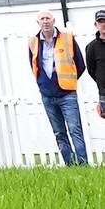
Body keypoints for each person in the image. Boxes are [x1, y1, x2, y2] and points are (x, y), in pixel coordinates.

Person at [29, 10, 89, 165]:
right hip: (47, 96)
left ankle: (83, 165)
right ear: (38, 22)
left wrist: (68, 81)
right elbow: (34, 65)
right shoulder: (33, 42)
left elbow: (80, 65)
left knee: (75, 130)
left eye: (48, 18)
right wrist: (42, 84)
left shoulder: (67, 38)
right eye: (42, 19)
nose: (45, 21)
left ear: (53, 21)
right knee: (59, 133)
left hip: (67, 94)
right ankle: (71, 165)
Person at [88, 9, 105, 121]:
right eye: (100, 21)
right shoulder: (91, 47)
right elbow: (91, 70)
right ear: (96, 25)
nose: (103, 24)